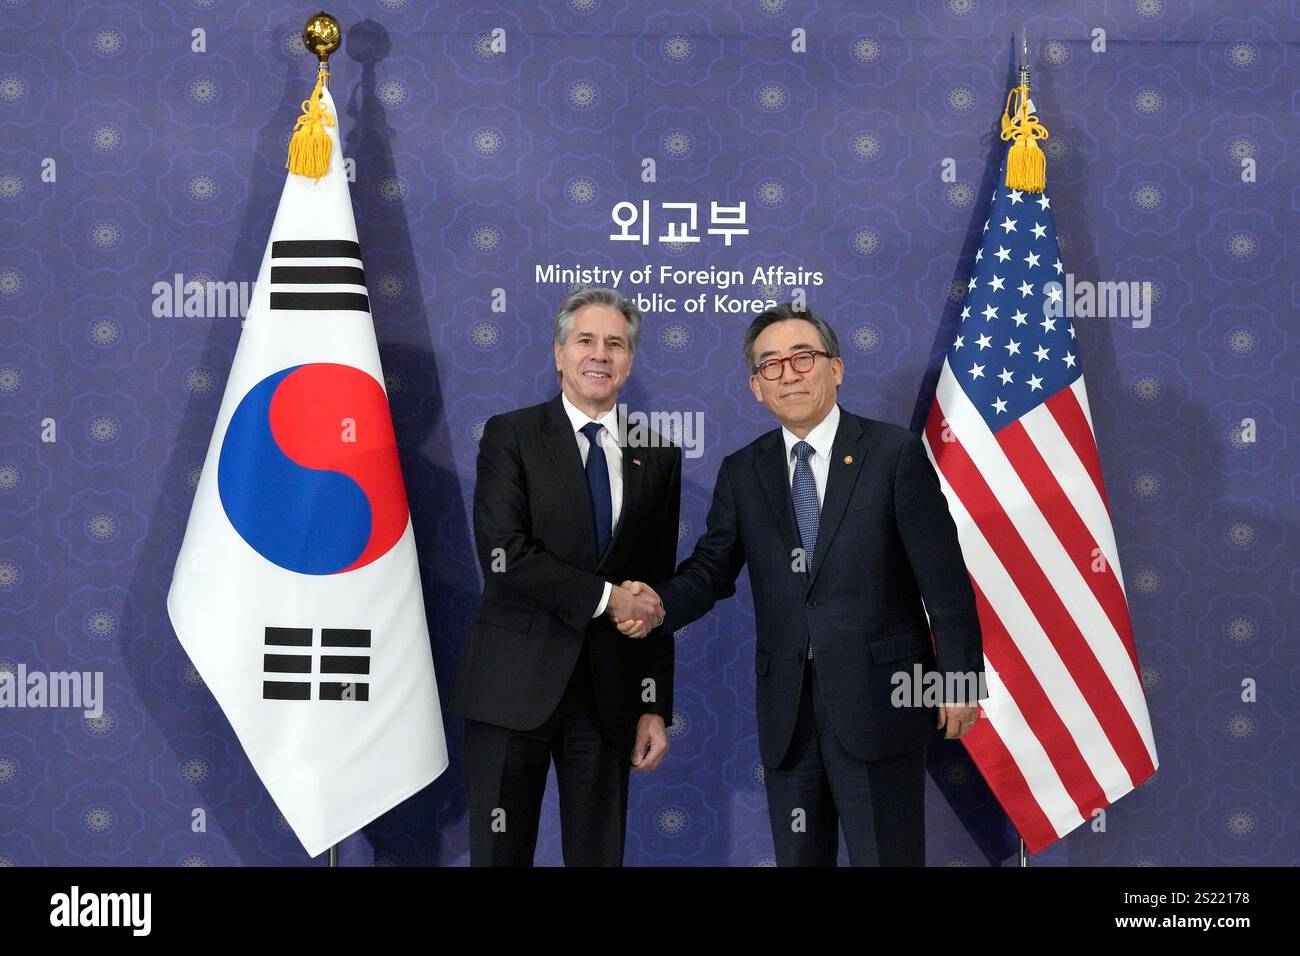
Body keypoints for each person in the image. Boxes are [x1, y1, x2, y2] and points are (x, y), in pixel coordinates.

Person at [620, 303, 985, 866]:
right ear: (756, 387)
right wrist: (657, 605)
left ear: (835, 369)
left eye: (802, 357)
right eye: (771, 365)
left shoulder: (893, 454)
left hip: (883, 703)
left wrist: (959, 676)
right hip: (789, 713)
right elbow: (712, 570)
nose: (788, 373)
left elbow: (944, 577)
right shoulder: (744, 471)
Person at [450, 287, 679, 866]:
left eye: (615, 343)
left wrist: (654, 703)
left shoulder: (658, 455)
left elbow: (654, 591)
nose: (599, 354)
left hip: (609, 698)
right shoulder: (512, 435)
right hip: (512, 688)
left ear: (629, 360)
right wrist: (608, 598)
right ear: (559, 354)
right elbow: (504, 554)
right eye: (585, 341)